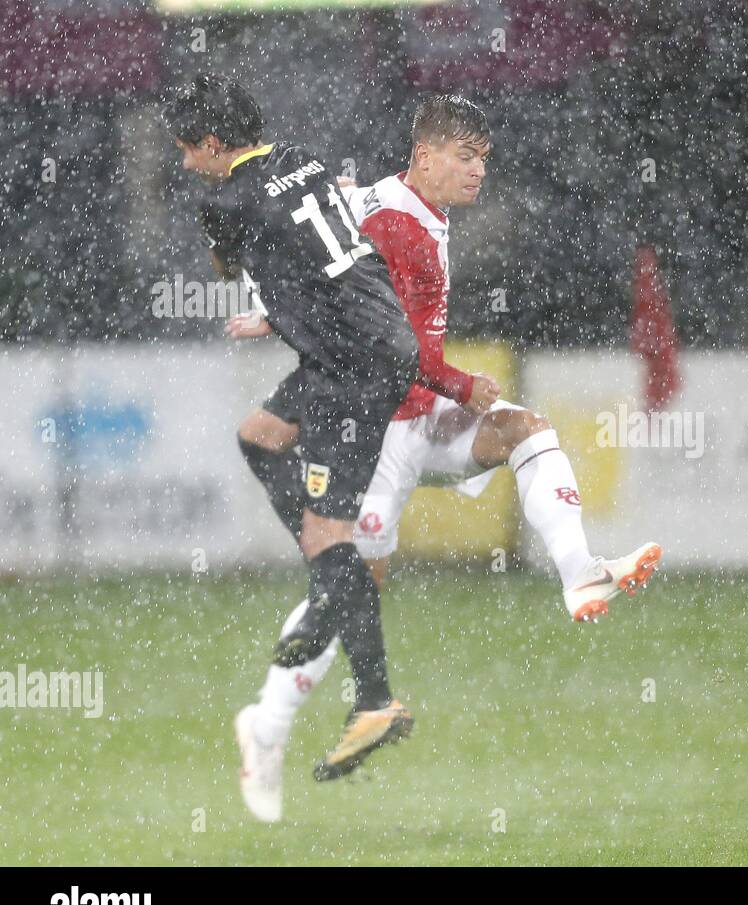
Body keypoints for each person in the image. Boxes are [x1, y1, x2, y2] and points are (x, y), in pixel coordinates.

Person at [227, 95, 661, 757]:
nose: (477, 170)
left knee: (525, 429)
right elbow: (395, 348)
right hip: (375, 434)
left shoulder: (386, 199)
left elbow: (315, 226)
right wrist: (463, 384)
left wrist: (272, 307)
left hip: (419, 420)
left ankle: (580, 573)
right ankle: (270, 721)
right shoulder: (406, 230)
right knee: (350, 586)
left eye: (482, 158)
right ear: (424, 156)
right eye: (463, 157)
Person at [163, 73, 419, 823]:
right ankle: (327, 593)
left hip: (354, 368)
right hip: (368, 343)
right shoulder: (303, 157)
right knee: (260, 437)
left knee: (330, 532)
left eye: (188, 152)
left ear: (214, 144)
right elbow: (327, 261)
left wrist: (260, 292)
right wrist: (280, 318)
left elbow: (230, 267)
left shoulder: (226, 199)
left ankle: (372, 697)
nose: (186, 166)